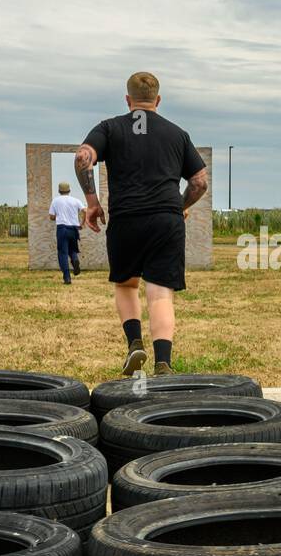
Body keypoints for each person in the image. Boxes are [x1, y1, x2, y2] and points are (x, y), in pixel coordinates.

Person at [75, 72, 208, 376]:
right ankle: (163, 361)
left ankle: (135, 344)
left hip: (126, 217)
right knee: (160, 291)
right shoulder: (177, 133)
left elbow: (83, 157)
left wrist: (93, 202)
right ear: (158, 100)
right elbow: (199, 182)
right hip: (166, 219)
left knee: (126, 283)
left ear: (128, 100)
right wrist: (180, 206)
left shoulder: (109, 127)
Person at [48, 181, 85, 284]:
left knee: (63, 252)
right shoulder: (75, 200)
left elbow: (51, 216)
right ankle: (75, 260)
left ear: (59, 191)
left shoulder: (55, 201)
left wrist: (57, 216)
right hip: (73, 229)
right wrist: (82, 223)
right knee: (72, 249)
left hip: (62, 229)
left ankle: (67, 277)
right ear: (69, 190)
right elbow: (84, 211)